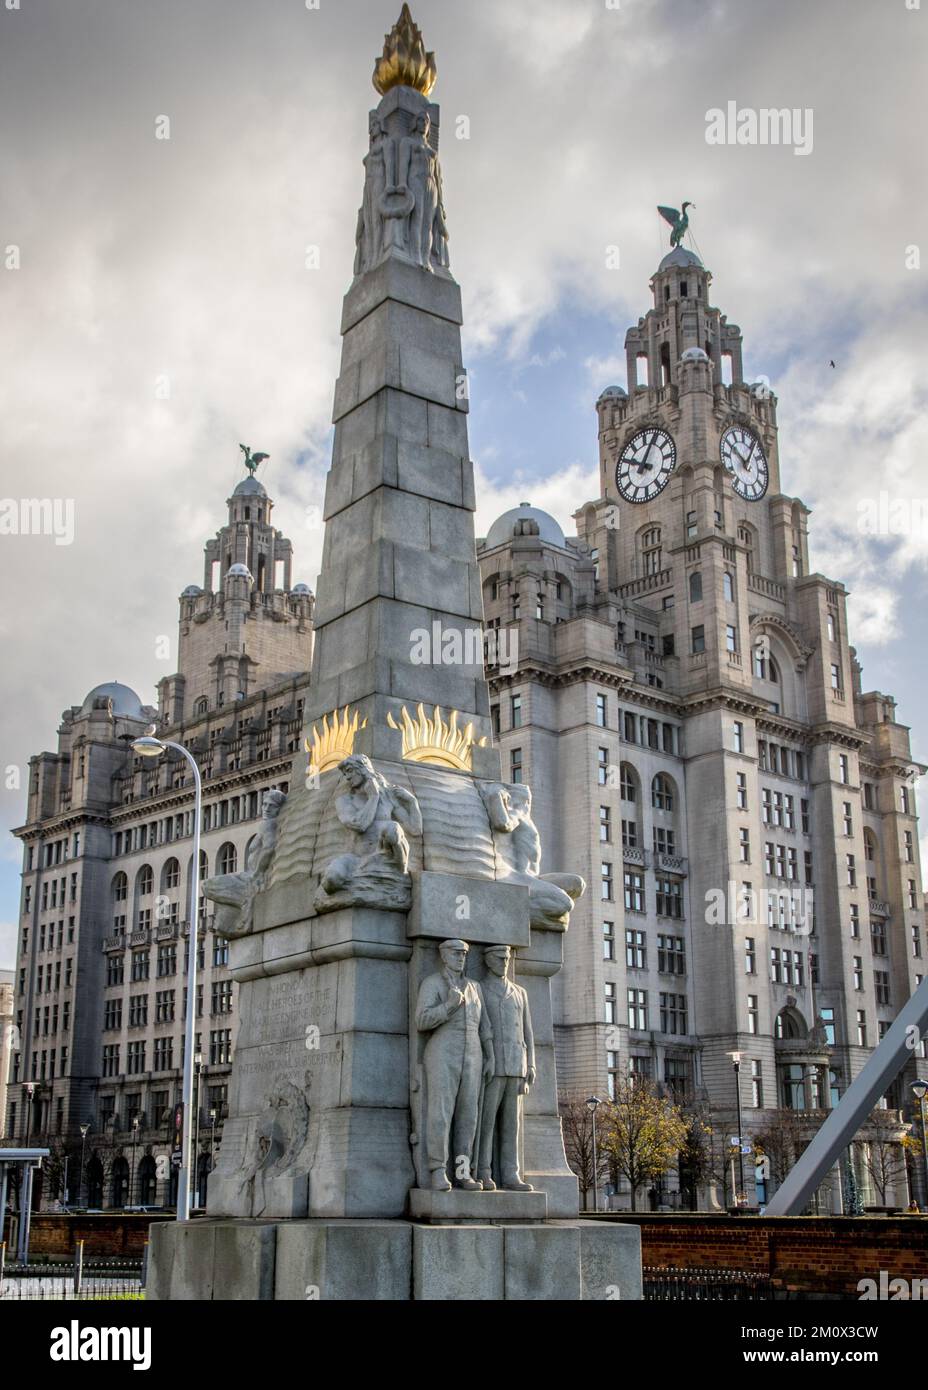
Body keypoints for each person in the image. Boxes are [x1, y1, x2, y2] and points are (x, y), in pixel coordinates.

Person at [416, 939, 493, 1191]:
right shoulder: (433, 983)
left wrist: (489, 1055)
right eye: (455, 953)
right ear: (443, 955)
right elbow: (422, 1020)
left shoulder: (475, 987)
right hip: (442, 1051)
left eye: (464, 954)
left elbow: (485, 1026)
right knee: (440, 1112)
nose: (461, 958)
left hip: (473, 1053)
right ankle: (438, 1169)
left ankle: (462, 1171)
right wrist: (449, 1004)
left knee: (468, 1116)